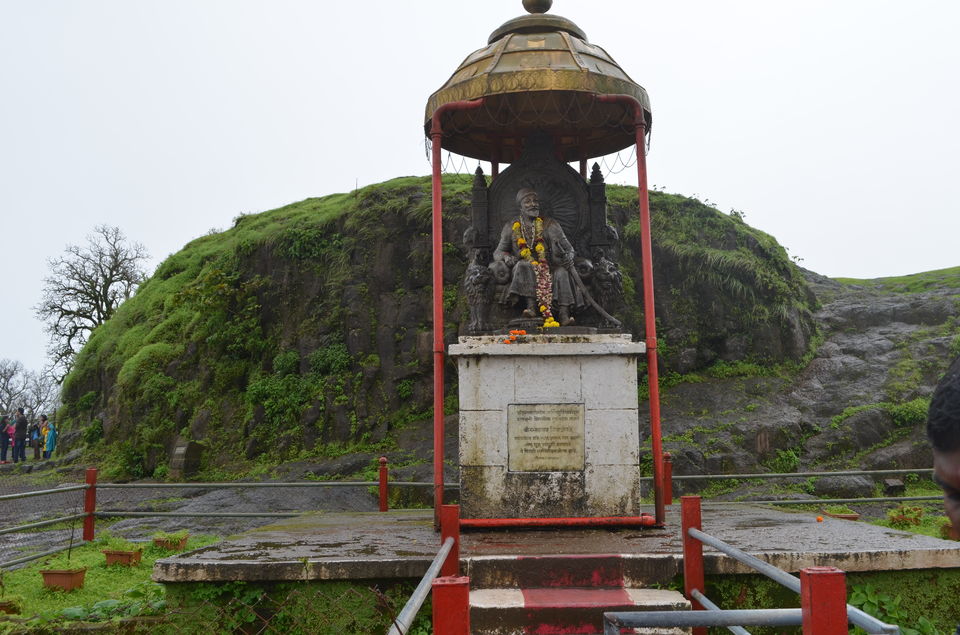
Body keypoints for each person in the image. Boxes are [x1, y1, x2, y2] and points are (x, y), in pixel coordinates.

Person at [490, 188, 582, 326]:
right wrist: (506, 257)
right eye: (527, 202)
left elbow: (569, 249)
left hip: (549, 266)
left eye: (535, 201)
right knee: (524, 265)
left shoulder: (550, 224)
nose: (533, 204)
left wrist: (569, 256)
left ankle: (564, 314)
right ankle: (531, 307)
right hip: (524, 265)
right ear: (520, 207)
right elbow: (498, 252)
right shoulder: (511, 226)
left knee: (562, 272)